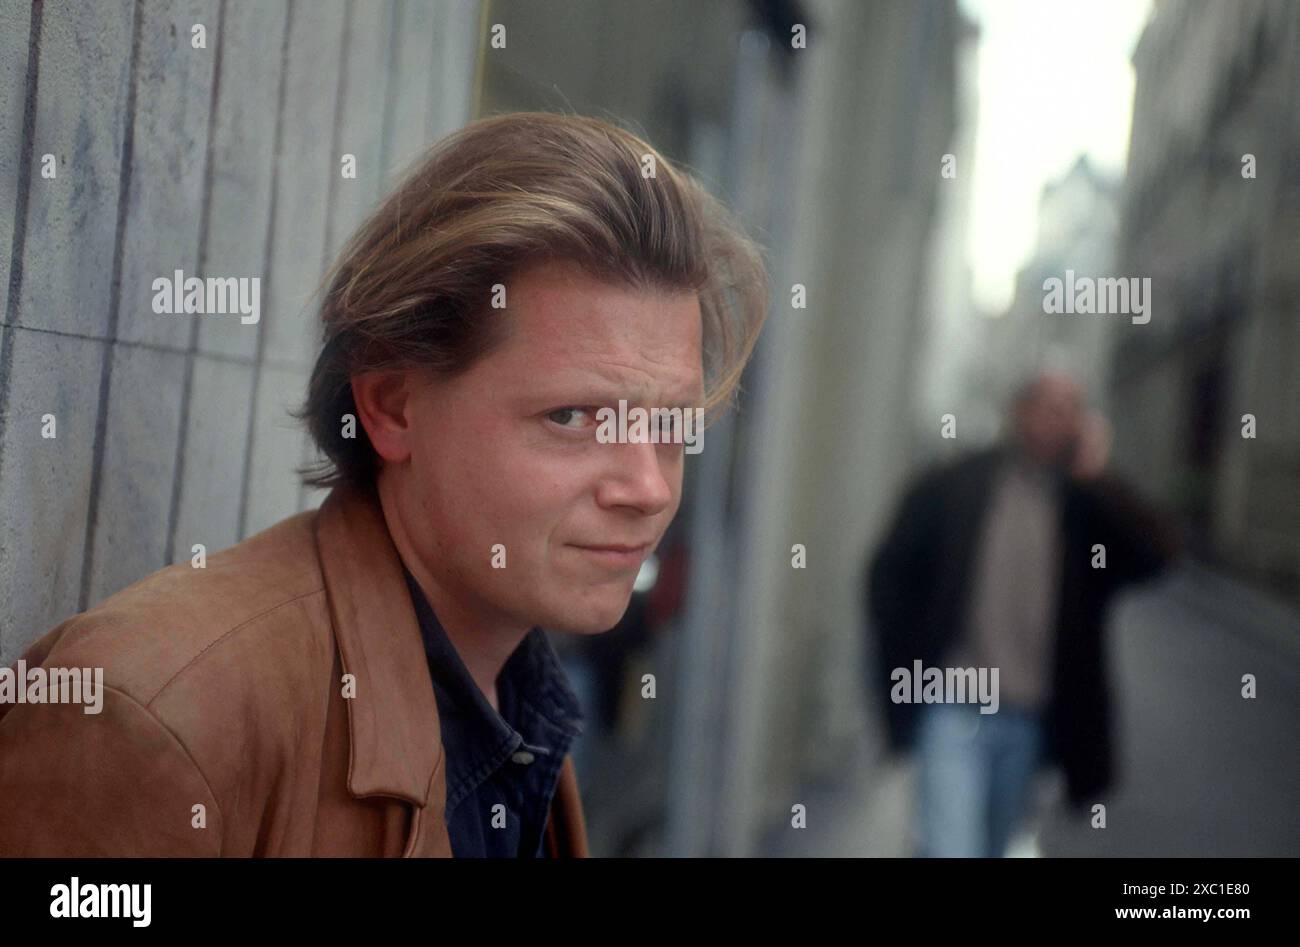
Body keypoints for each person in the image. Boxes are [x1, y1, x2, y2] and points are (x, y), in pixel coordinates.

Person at [0, 113, 768, 857]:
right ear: (392, 404)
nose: (648, 487)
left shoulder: (518, 702)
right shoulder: (155, 716)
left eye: (671, 425)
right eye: (571, 415)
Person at [867, 370, 1182, 857]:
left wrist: (1099, 475)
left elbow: (1157, 557)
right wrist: (900, 677)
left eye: (1069, 409)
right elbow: (888, 577)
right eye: (1046, 405)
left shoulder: (1084, 505)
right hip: (954, 706)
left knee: (998, 847)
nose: (1055, 420)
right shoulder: (957, 484)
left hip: (1030, 720)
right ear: (1018, 410)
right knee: (951, 849)